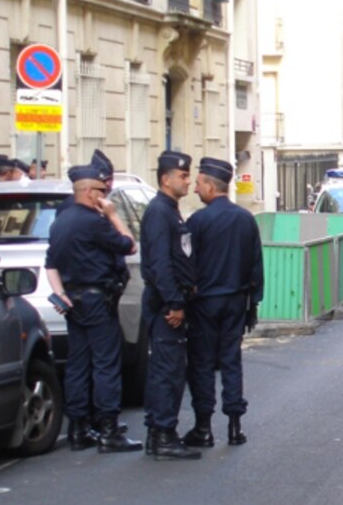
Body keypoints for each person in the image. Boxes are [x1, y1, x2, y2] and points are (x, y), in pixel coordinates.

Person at [44, 162, 142, 453]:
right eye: (102, 189)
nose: (106, 194)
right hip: (98, 299)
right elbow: (129, 245)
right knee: (106, 364)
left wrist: (61, 295)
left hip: (74, 300)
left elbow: (50, 263)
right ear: (88, 192)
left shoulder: (60, 221)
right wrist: (112, 215)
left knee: (77, 364)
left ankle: (78, 428)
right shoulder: (93, 221)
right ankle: (109, 429)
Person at [183, 158, 264, 449]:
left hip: (204, 302)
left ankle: (203, 427)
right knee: (231, 361)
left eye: (198, 183)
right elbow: (256, 264)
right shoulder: (245, 219)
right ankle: (234, 426)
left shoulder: (197, 222)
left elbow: (187, 263)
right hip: (235, 301)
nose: (195, 188)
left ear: (209, 185)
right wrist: (253, 303)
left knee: (202, 363)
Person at [140, 151, 201, 460]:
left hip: (171, 300)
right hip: (167, 304)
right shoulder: (160, 212)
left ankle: (158, 432)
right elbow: (161, 264)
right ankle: (164, 434)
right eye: (182, 176)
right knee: (168, 371)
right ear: (166, 179)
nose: (188, 180)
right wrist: (175, 302)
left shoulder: (170, 210)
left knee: (166, 369)